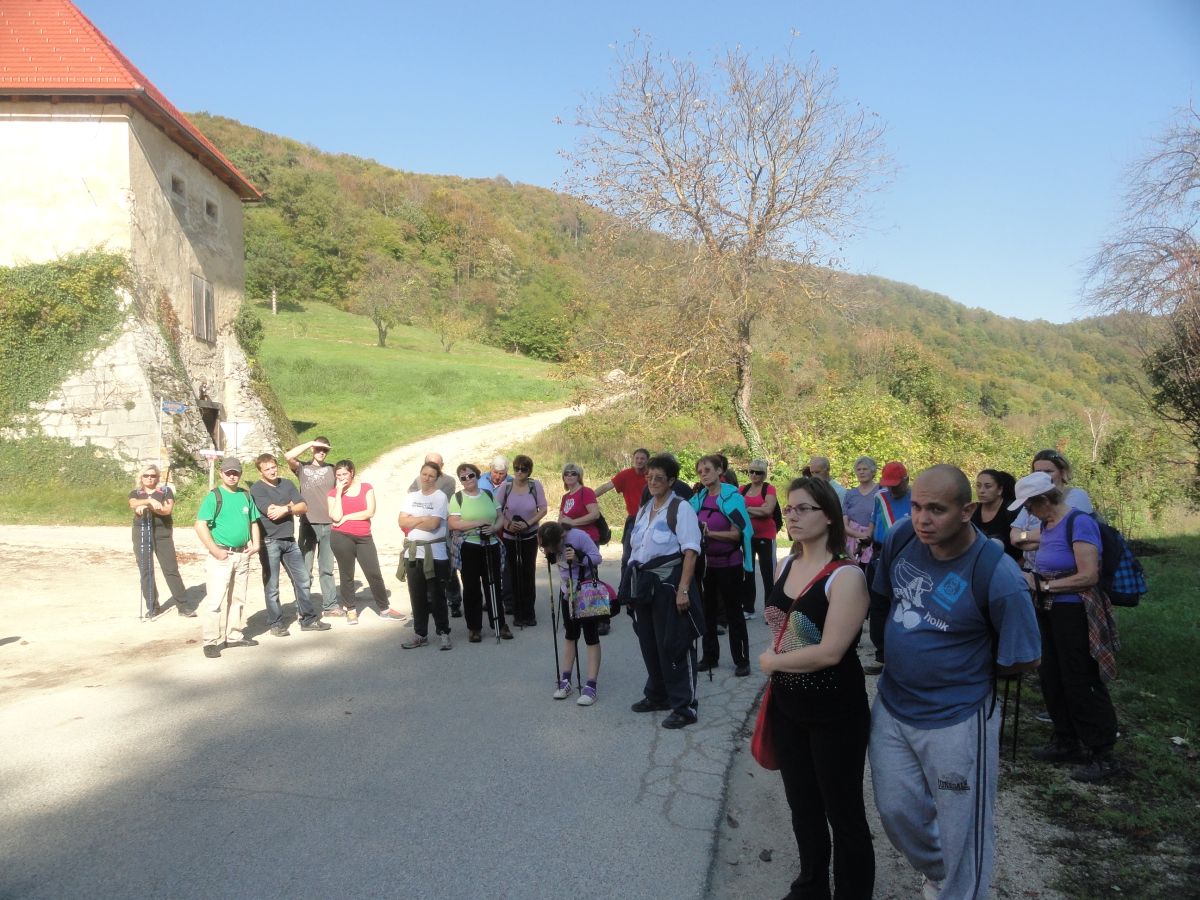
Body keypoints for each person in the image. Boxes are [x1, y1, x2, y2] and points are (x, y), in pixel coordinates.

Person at [869, 465, 1040, 900]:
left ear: (967, 511)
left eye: (937, 510)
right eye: (919, 507)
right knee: (896, 812)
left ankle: (959, 889)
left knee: (965, 831)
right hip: (893, 705)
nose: (923, 519)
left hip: (957, 718)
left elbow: (1025, 656)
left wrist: (960, 673)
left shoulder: (997, 576)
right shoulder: (903, 538)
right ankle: (941, 873)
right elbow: (885, 600)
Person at [759, 477, 873, 900]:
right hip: (789, 708)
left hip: (835, 714)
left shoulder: (845, 577)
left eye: (803, 508)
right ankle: (810, 887)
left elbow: (830, 652)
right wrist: (777, 658)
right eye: (789, 508)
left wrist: (772, 662)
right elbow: (780, 625)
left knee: (843, 814)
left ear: (829, 516)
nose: (792, 515)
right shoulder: (785, 564)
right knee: (803, 806)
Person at [1013, 471, 1121, 783]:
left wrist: (1043, 585)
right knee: (1052, 676)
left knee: (1079, 677)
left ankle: (1102, 752)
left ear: (1045, 499)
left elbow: (1088, 575)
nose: (1029, 513)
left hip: (1075, 611)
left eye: (1030, 506)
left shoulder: (1079, 522)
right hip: (1049, 610)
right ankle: (1066, 740)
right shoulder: (1047, 524)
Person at [624, 453, 705, 729]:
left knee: (675, 643)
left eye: (660, 478)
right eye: (650, 477)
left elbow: (691, 551)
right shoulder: (646, 508)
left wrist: (683, 589)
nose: (653, 482)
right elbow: (636, 548)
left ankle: (685, 707)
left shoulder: (681, 509)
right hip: (644, 586)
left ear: (671, 481)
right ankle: (658, 695)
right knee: (649, 642)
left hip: (669, 586)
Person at [250, 454, 330, 637]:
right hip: (269, 541)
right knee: (272, 585)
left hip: (289, 540)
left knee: (302, 580)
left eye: (273, 467)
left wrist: (286, 508)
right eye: (267, 469)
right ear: (260, 471)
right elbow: (271, 512)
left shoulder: (286, 483)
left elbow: (303, 506)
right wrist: (291, 506)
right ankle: (276, 623)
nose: (272, 471)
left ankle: (308, 619)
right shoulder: (257, 489)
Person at [691, 454, 753, 676]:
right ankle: (709, 657)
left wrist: (711, 533)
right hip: (707, 565)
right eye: (700, 471)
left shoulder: (733, 498)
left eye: (707, 470)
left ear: (719, 471)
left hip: (730, 564)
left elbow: (739, 534)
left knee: (734, 611)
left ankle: (742, 660)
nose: (703, 474)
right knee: (707, 612)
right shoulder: (698, 499)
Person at [194, 457, 262, 659]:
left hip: (242, 554)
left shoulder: (245, 496)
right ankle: (210, 641)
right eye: (228, 472)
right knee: (215, 600)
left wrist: (256, 544)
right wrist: (215, 550)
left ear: (240, 474)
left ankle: (233, 635)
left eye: (236, 473)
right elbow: (200, 525)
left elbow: (254, 521)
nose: (233, 476)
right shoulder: (214, 496)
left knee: (238, 598)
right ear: (221, 473)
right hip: (222, 555)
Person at [328, 459, 401, 625]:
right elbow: (335, 517)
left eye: (344, 474)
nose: (341, 477)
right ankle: (351, 610)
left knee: (374, 572)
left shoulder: (366, 488)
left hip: (363, 537)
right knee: (346, 574)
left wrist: (347, 516)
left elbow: (370, 512)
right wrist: (339, 492)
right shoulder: (332, 494)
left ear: (352, 472)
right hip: (341, 537)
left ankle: (384, 609)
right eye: (338, 475)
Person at [539, 522, 604, 705]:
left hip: (586, 592)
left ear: (561, 538)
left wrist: (578, 557)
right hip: (567, 593)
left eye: (552, 547)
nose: (550, 550)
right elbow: (554, 559)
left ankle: (591, 685)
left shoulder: (578, 536)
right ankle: (566, 679)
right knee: (570, 635)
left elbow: (597, 558)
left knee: (591, 637)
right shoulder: (550, 544)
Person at [449, 462, 512, 642]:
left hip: (490, 544)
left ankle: (499, 624)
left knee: (493, 585)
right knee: (471, 588)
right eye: (463, 477)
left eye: (471, 476)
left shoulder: (487, 494)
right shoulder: (457, 498)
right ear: (460, 480)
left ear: (477, 476)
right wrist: (477, 523)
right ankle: (474, 627)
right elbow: (453, 523)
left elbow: (500, 517)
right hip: (469, 546)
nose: (467, 479)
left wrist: (494, 528)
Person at [398, 461, 453, 650]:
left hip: (435, 554)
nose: (427, 478)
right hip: (413, 552)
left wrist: (413, 520)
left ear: (437, 478)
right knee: (417, 596)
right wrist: (422, 519)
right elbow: (401, 521)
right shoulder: (411, 496)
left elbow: (434, 525)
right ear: (419, 475)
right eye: (424, 474)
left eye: (431, 475)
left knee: (437, 595)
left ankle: (444, 632)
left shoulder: (440, 497)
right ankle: (420, 634)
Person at [865, 461, 912, 675]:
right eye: (888, 484)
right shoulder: (880, 497)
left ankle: (903, 655)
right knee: (878, 604)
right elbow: (874, 522)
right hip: (879, 554)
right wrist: (867, 538)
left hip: (906, 557)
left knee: (904, 605)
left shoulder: (916, 499)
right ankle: (881, 655)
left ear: (906, 480)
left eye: (896, 485)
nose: (892, 489)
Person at [128, 463, 192, 618]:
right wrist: (148, 502)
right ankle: (152, 606)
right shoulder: (136, 492)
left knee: (170, 569)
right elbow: (133, 503)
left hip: (162, 532)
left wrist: (155, 508)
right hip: (141, 532)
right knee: (146, 570)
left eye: (153, 475)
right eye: (146, 475)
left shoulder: (165, 491)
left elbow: (167, 510)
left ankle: (183, 606)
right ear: (141, 477)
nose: (149, 478)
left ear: (157, 477)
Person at [285, 437, 339, 616]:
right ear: (312, 450)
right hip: (308, 523)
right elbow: (288, 456)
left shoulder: (332, 469)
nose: (321, 452)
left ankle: (330, 605)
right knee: (304, 568)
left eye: (325, 450)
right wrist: (310, 443)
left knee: (327, 568)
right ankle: (304, 606)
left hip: (329, 524)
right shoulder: (303, 468)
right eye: (318, 449)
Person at [1010, 449, 1095, 565]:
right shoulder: (1031, 499)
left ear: (1063, 472)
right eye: (1037, 472)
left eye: (1048, 471)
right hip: (1031, 568)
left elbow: (1060, 534)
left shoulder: (1076, 496)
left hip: (1060, 572)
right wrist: (1028, 537)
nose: (1043, 476)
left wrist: (1024, 536)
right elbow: (1014, 535)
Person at [496, 455, 548, 627]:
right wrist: (508, 524)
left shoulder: (535, 485)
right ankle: (517, 613)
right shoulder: (506, 486)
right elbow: (496, 510)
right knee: (513, 573)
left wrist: (528, 523)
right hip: (510, 537)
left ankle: (529, 612)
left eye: (524, 469)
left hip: (530, 536)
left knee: (528, 573)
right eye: (517, 468)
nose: (520, 472)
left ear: (529, 471)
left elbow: (543, 509)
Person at [409, 452, 462, 618]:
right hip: (422, 536)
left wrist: (420, 512)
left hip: (443, 534)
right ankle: (429, 602)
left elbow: (440, 501)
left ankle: (454, 602)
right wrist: (421, 514)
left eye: (436, 465)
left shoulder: (448, 481)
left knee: (449, 571)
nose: (429, 474)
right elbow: (410, 503)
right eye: (428, 465)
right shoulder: (417, 480)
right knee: (426, 570)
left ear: (442, 466)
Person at [595, 447, 650, 575]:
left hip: (652, 520)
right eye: (637, 458)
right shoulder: (625, 475)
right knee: (626, 557)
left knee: (647, 558)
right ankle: (623, 590)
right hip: (633, 520)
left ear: (648, 460)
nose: (639, 461)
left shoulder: (652, 476)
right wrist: (587, 498)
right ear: (633, 459)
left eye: (642, 458)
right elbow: (607, 486)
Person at [739, 458, 779, 618]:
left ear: (764, 474)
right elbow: (736, 509)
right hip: (747, 536)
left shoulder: (769, 489)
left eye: (759, 472)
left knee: (768, 573)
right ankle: (748, 608)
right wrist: (757, 509)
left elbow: (768, 511)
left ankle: (770, 611)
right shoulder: (742, 489)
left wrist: (747, 509)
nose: (754, 475)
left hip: (766, 536)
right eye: (751, 471)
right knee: (748, 571)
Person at [971, 469, 1021, 561]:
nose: (981, 491)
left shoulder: (1013, 510)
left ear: (1000, 490)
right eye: (978, 486)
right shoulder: (972, 510)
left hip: (1009, 566)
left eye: (988, 486)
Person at [842, 456, 881, 567]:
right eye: (858, 470)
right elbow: (844, 524)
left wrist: (868, 537)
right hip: (852, 544)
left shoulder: (881, 492)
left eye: (865, 469)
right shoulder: (850, 494)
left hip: (875, 544)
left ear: (873, 471)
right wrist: (860, 536)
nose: (861, 472)